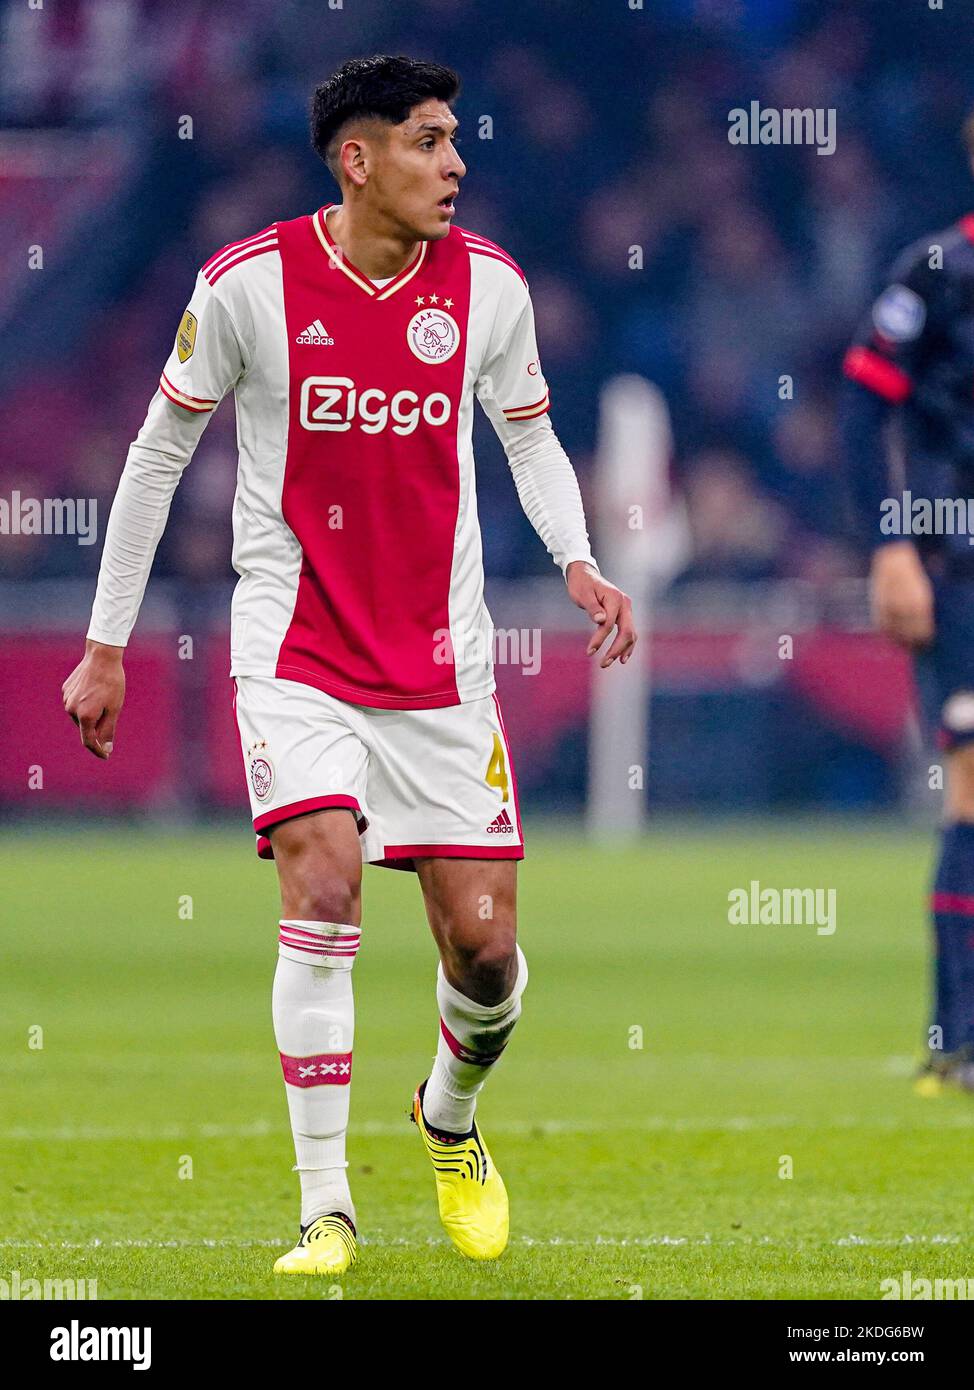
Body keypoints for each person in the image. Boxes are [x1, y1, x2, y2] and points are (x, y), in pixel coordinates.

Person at [62, 54, 637, 1274]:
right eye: (429, 141)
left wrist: (578, 561)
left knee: (482, 953)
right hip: (297, 650)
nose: (456, 163)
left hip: (441, 667)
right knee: (321, 886)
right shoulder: (247, 287)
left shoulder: (488, 289)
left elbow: (527, 441)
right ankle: (326, 1207)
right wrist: (106, 644)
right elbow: (154, 457)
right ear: (357, 158)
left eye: (457, 138)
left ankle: (447, 1116)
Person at [841, 110, 974, 1096]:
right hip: (957, 566)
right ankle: (958, 1038)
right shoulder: (934, 274)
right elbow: (861, 407)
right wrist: (889, 543)